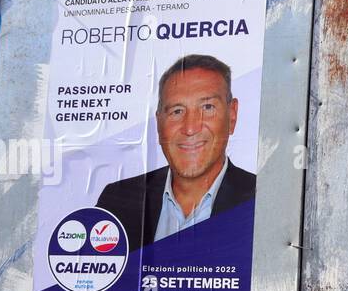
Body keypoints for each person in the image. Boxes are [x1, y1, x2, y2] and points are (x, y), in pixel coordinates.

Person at [95, 54, 256, 251]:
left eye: (207, 107)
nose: (190, 128)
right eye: (177, 111)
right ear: (159, 122)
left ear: (232, 115)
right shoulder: (118, 201)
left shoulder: (262, 200)